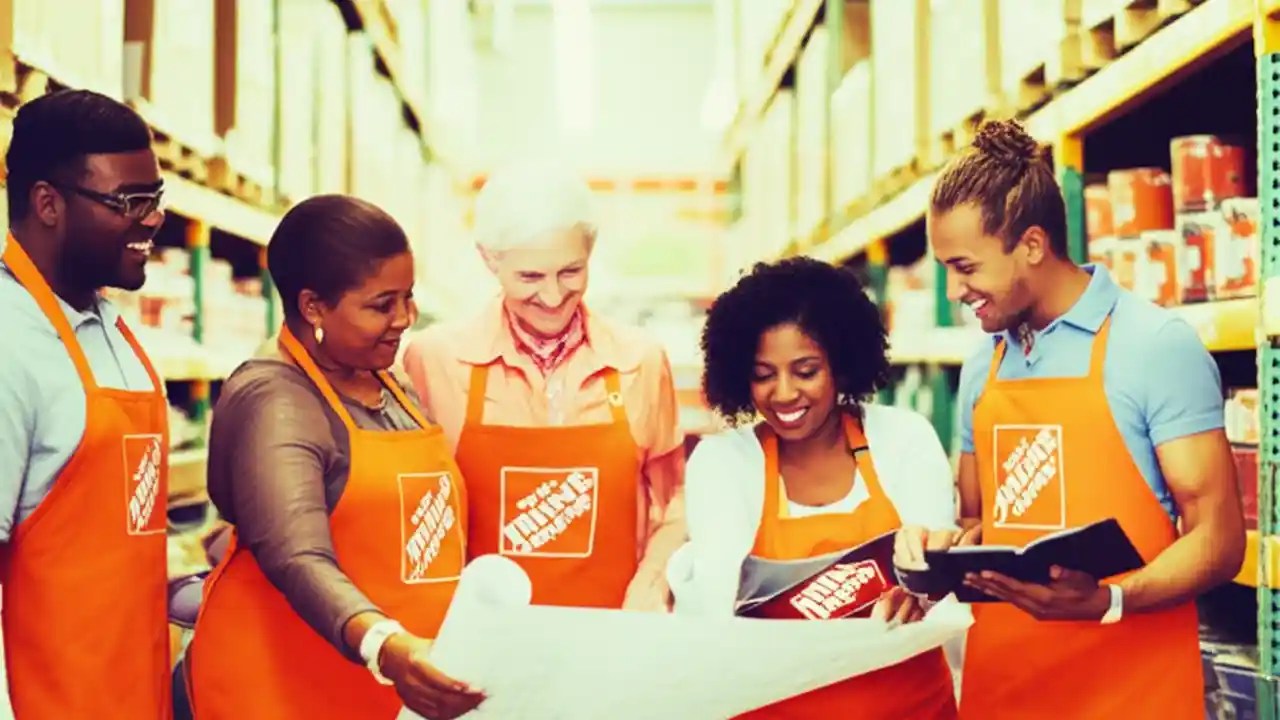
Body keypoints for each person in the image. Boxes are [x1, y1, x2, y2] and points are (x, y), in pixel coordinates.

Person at [897, 119, 1246, 719]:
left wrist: (1108, 600)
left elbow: (1219, 541)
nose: (954, 290)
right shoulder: (984, 364)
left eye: (967, 267)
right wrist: (938, 554)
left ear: (1032, 245)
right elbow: (983, 519)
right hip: (1004, 693)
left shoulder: (1154, 346)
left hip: (1130, 695)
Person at [185, 196, 484, 720]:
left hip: (382, 688)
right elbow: (296, 555)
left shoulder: (390, 384)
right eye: (381, 304)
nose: (404, 320)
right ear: (313, 306)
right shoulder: (276, 400)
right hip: (287, 688)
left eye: (408, 298)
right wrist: (384, 643)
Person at [668, 257, 961, 718]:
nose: (783, 394)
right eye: (764, 375)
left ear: (842, 366)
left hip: (908, 707)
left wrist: (926, 576)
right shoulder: (725, 463)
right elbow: (716, 608)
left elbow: (934, 554)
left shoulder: (903, 439)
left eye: (805, 371)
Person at [403, 160, 686, 611]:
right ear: (489, 260)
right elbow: (415, 516)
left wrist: (652, 583)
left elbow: (674, 504)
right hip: (485, 646)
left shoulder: (641, 362)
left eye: (571, 272)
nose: (553, 297)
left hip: (612, 640)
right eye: (530, 277)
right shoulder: (435, 361)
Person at [0, 89, 171, 719]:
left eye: (156, 199)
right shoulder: (9, 345)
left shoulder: (114, 335)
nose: (152, 219)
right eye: (131, 201)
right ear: (48, 203)